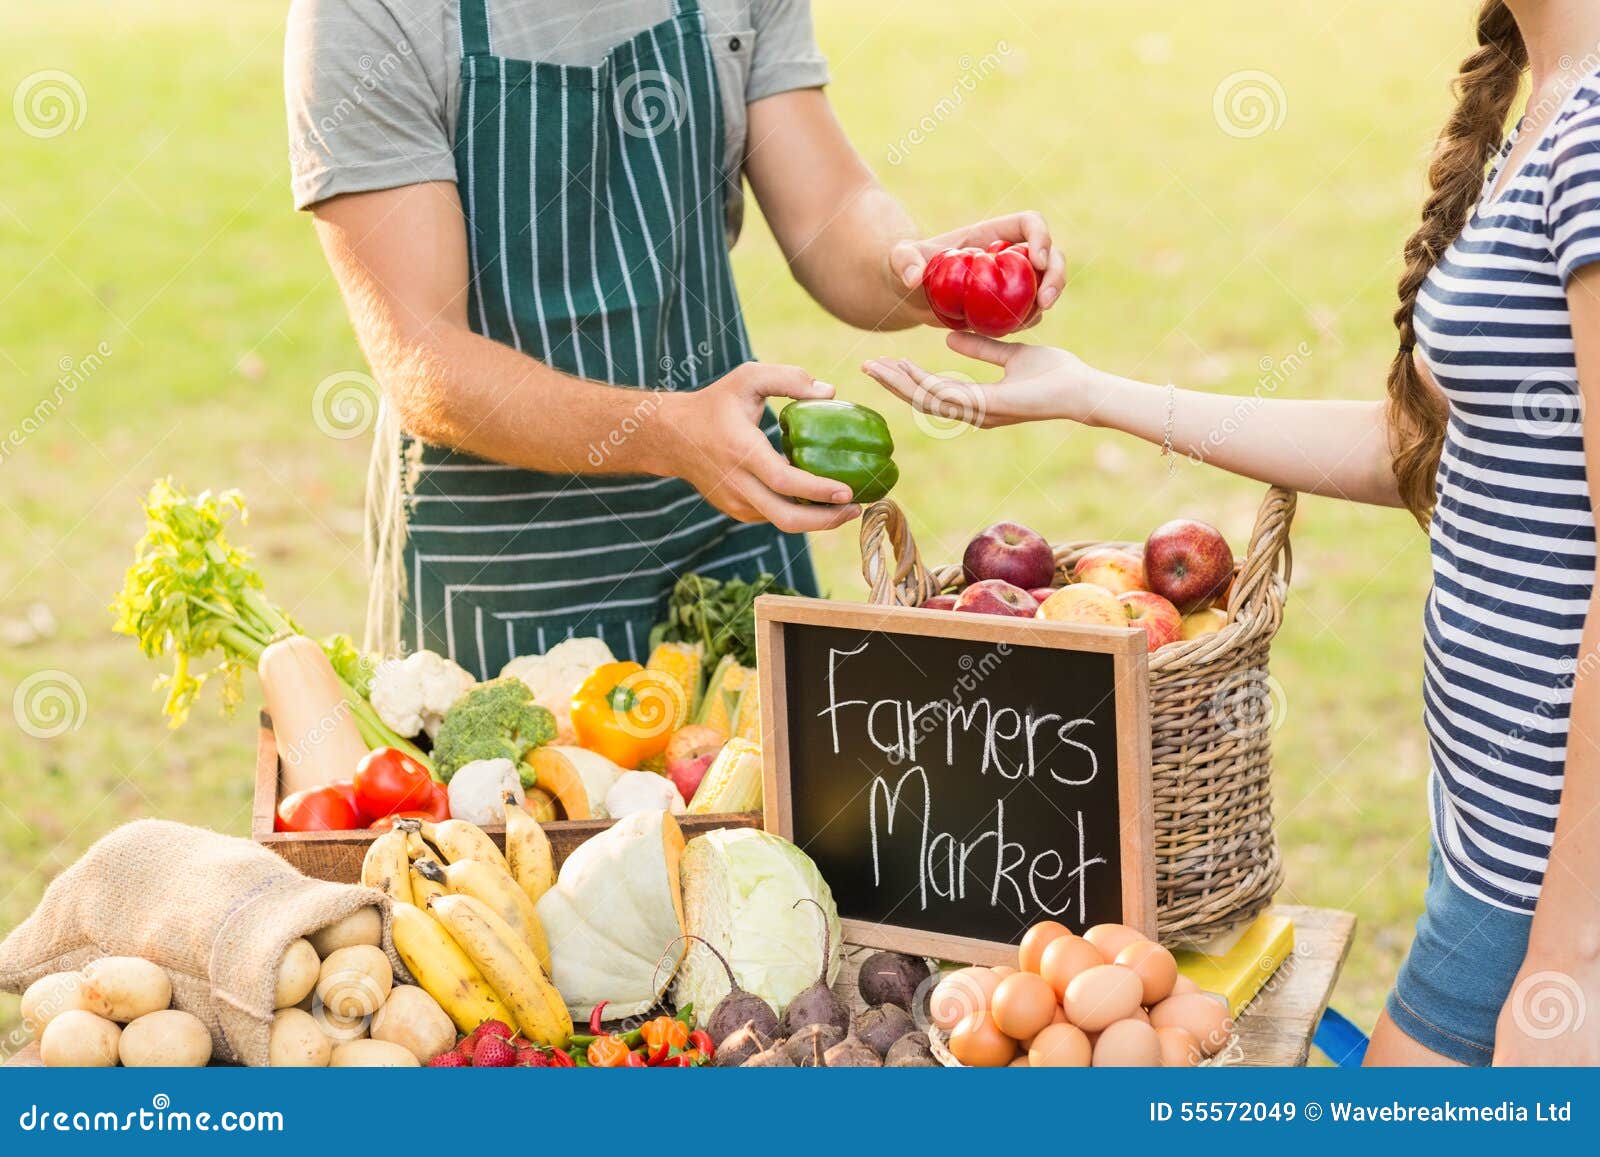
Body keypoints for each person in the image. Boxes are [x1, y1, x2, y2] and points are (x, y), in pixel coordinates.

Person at [866, 0, 1600, 1067]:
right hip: (1497, 839)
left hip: (1554, 875)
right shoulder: (1546, 108)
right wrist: (1094, 393)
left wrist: (1571, 953)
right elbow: (1431, 447)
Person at [284, 0, 1064, 674]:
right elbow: (427, 360)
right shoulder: (367, 16)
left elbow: (829, 206)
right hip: (503, 578)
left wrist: (923, 273)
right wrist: (668, 434)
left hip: (727, 540)